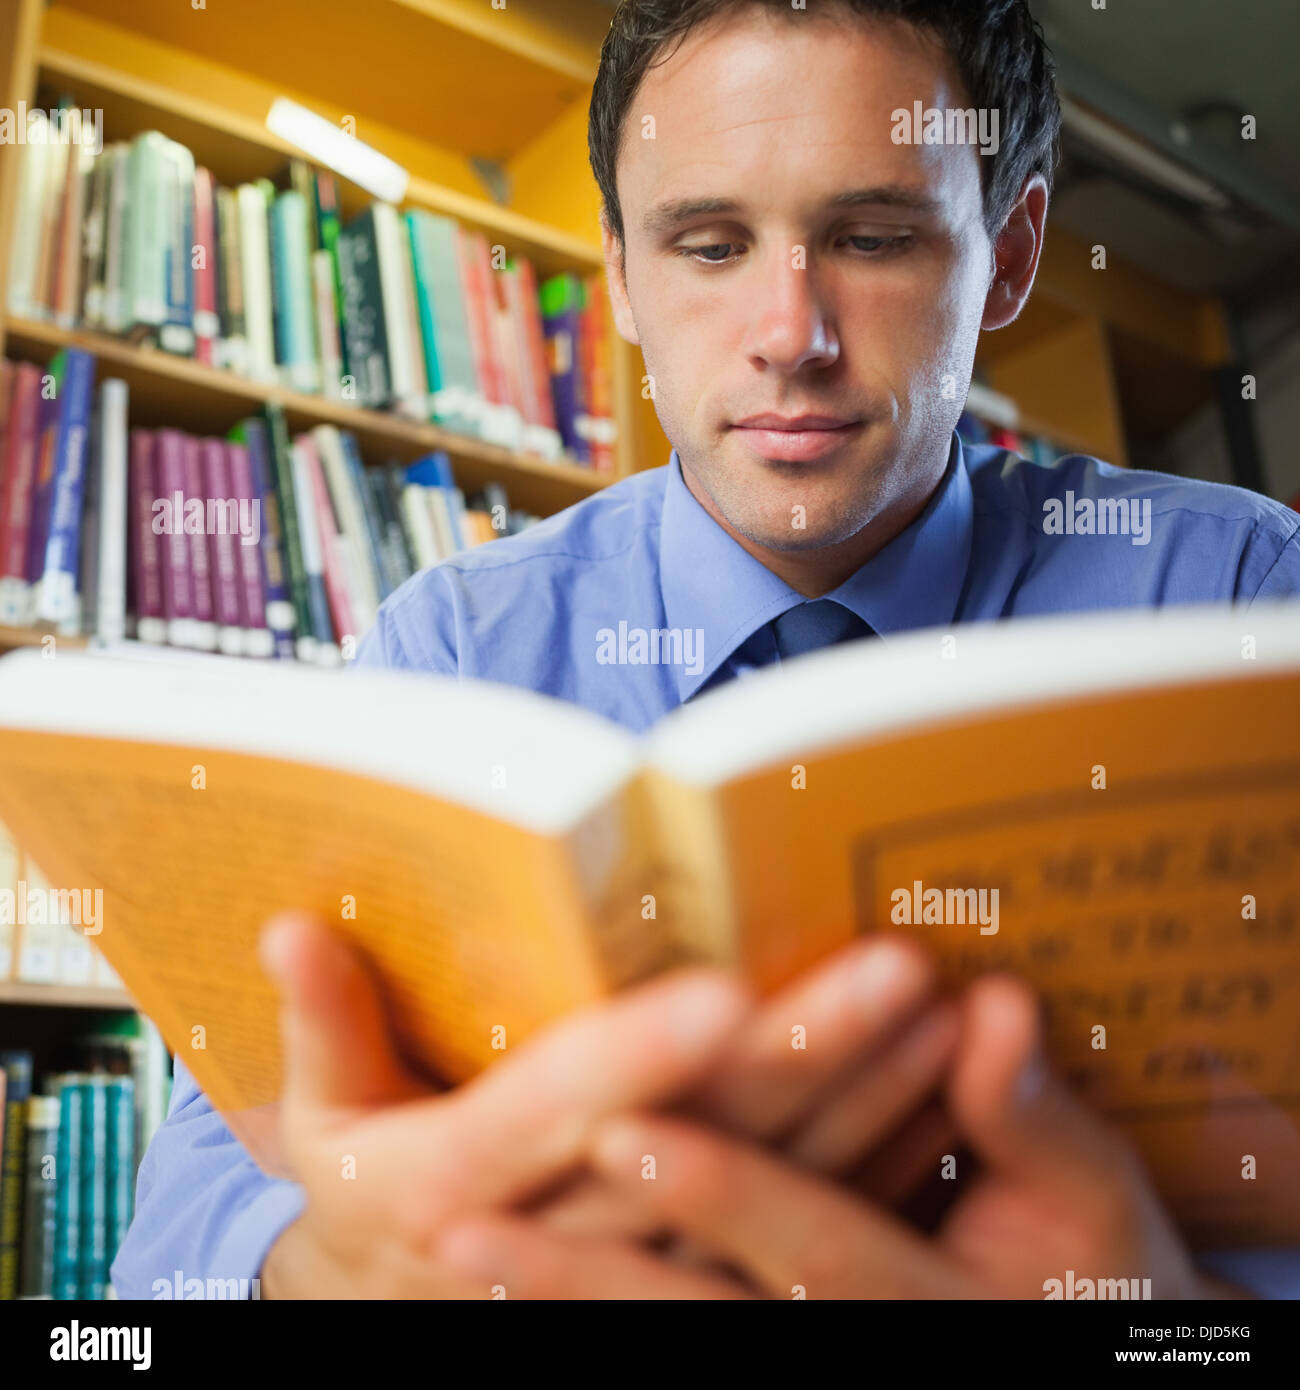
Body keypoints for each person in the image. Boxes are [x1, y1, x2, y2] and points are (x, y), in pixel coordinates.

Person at [113, 0, 1300, 1299]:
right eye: (711, 242)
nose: (789, 334)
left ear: (1008, 254)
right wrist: (327, 1270)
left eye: (873, 236)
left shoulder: (1243, 601)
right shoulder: (451, 646)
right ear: (621, 275)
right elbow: (189, 1215)